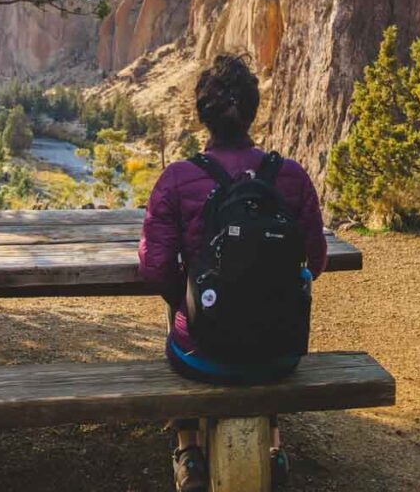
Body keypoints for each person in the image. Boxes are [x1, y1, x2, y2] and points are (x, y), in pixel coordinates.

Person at [138, 55, 328, 492]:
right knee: (262, 313)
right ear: (252, 111)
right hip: (280, 354)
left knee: (184, 311)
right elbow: (314, 263)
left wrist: (186, 296)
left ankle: (187, 449)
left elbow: (155, 269)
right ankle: (274, 448)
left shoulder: (177, 178)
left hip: (201, 355)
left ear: (203, 115)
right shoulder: (292, 176)